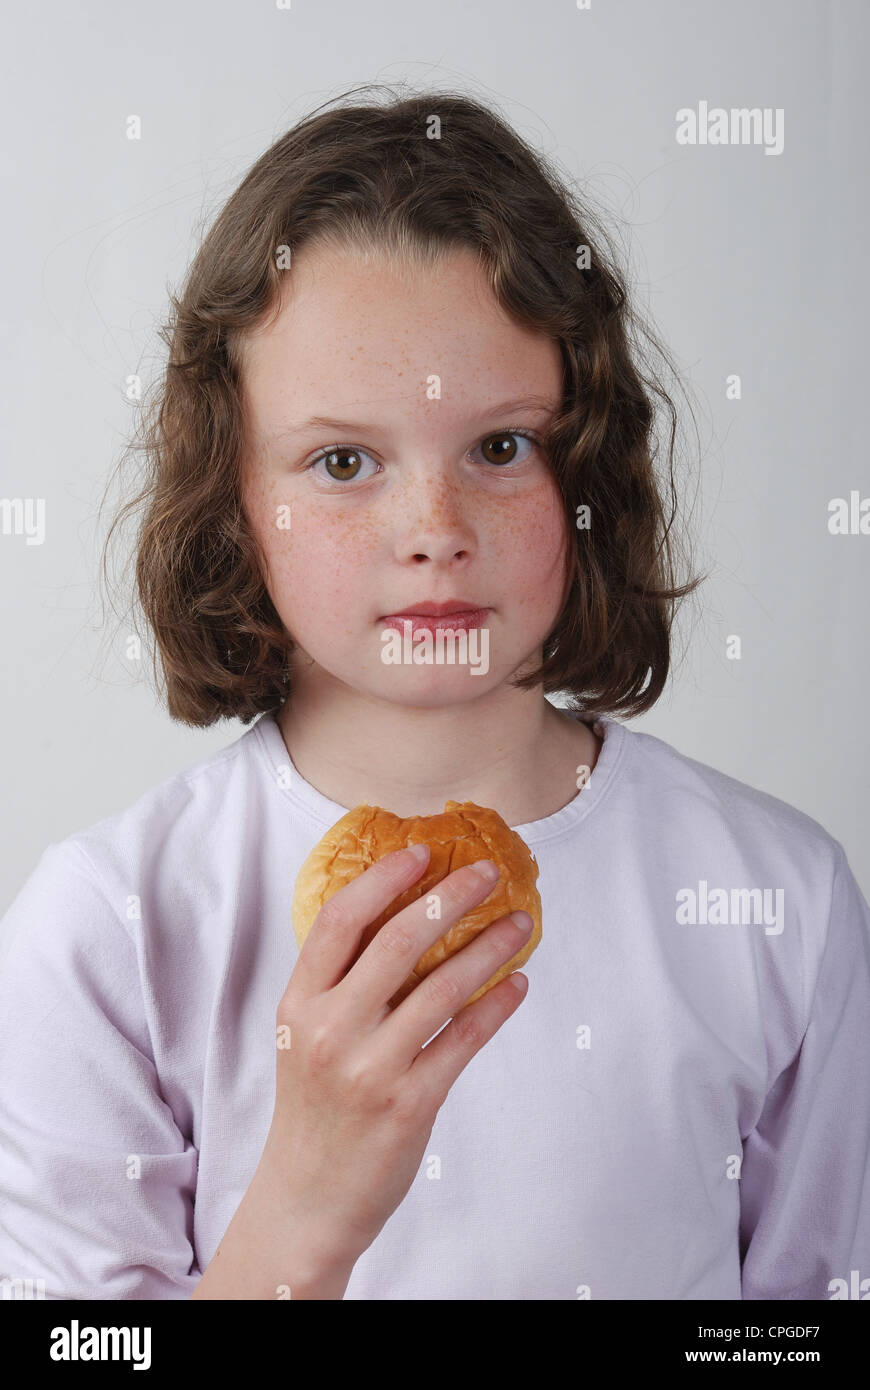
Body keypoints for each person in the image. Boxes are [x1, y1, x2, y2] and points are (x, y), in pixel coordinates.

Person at [1, 86, 868, 1302]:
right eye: (343, 461)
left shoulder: (783, 903)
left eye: (501, 447)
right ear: (233, 493)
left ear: (588, 466)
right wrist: (302, 1211)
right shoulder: (105, 933)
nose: (436, 532)